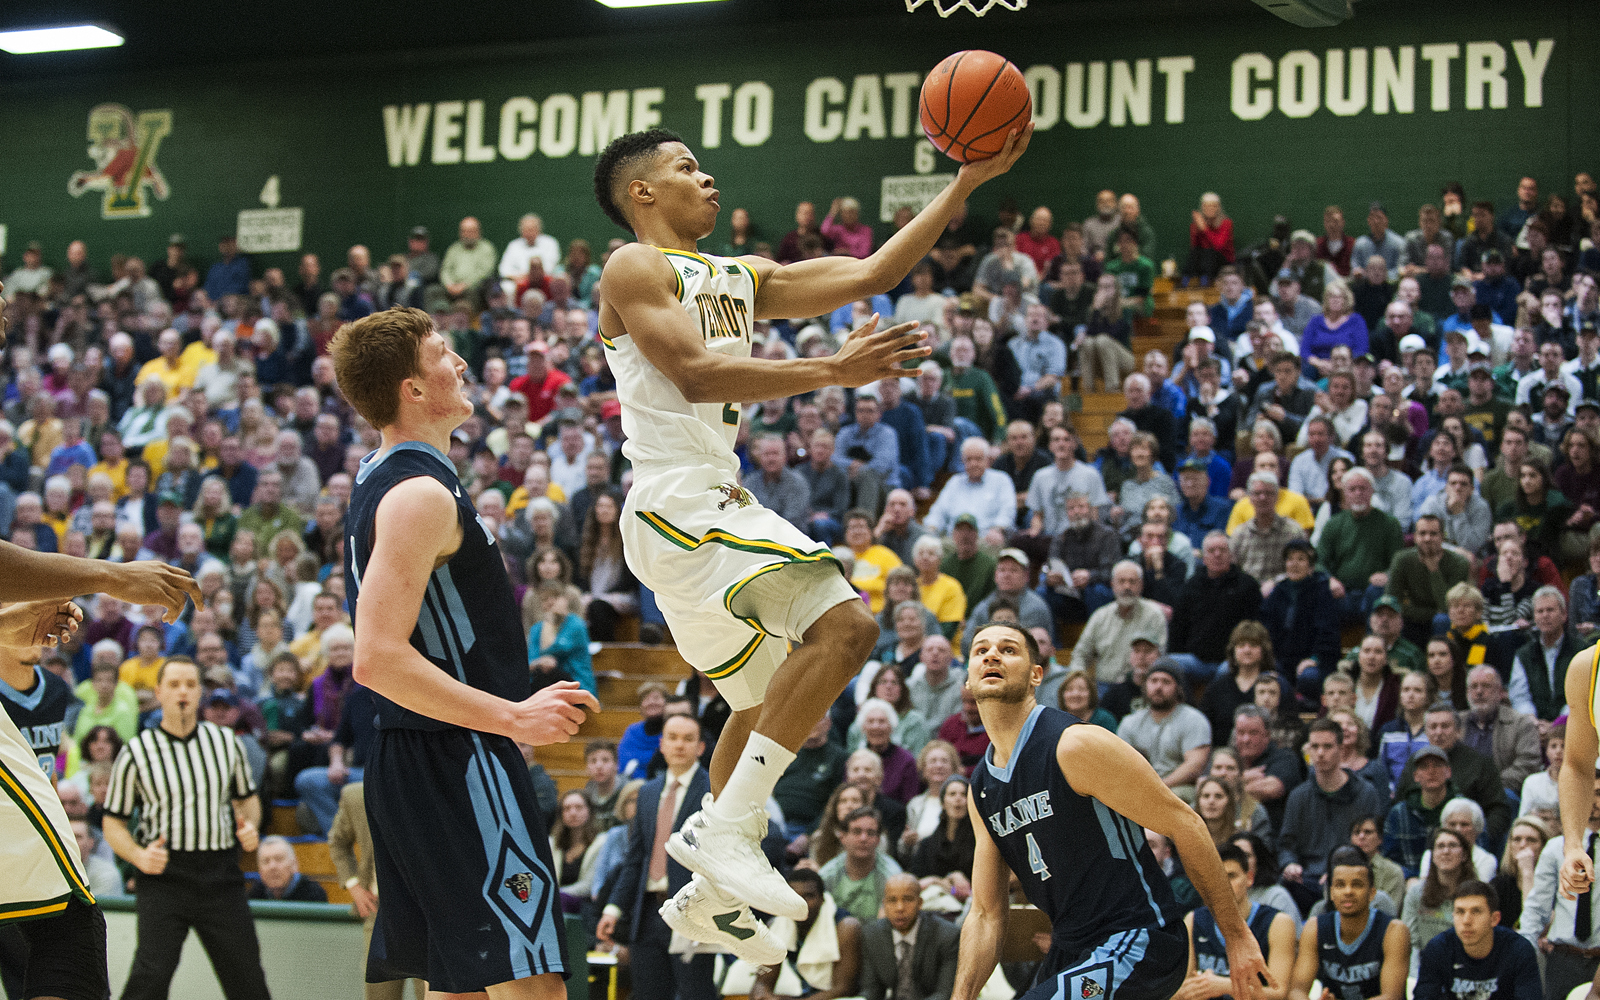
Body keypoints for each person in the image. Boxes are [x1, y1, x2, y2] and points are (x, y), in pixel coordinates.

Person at [590, 123, 1030, 940]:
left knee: (761, 703)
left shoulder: (742, 275)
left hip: (697, 505)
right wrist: (833, 369)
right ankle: (726, 834)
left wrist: (963, 185)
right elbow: (694, 374)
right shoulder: (634, 266)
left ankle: (709, 893)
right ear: (642, 192)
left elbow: (872, 272)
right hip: (678, 497)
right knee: (849, 627)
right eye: (688, 168)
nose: (709, 179)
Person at [329, 308, 600, 996]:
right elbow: (376, 657)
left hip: (417, 755)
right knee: (531, 985)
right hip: (457, 758)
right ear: (413, 389)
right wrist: (512, 717)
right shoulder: (419, 494)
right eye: (444, 353)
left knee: (460, 985)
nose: (462, 363)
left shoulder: (384, 476)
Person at [950, 621, 1274, 1000]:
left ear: (1037, 675)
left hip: (1138, 937)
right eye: (981, 650)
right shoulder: (981, 788)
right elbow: (986, 914)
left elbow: (1185, 823)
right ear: (969, 679)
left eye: (1008, 649)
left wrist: (1236, 936)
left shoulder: (1075, 745)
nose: (992, 655)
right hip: (1070, 948)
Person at [101, 658, 271, 1000]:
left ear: (200, 694)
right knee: (151, 976)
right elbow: (113, 821)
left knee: (247, 978)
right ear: (159, 692)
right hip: (165, 876)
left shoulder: (227, 743)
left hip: (221, 874)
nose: (183, 692)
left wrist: (250, 826)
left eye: (191, 685)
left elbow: (247, 800)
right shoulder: (136, 751)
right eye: (175, 684)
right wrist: (138, 856)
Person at [598, 712, 769, 987]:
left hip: (695, 910)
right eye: (673, 738)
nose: (679, 745)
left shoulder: (716, 790)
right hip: (647, 913)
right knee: (648, 994)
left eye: (688, 739)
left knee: (695, 992)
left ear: (700, 747)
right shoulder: (647, 792)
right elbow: (636, 859)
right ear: (662, 745)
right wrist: (614, 908)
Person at [1276, 718, 1387, 913]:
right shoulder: (1298, 796)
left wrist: (1342, 870)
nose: (1320, 753)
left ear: (1341, 749)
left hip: (1350, 877)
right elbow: (1286, 844)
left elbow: (1371, 844)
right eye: (1315, 746)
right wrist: (1290, 863)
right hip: (1307, 879)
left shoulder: (1365, 793)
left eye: (1327, 746)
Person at [1286, 845, 1409, 1000]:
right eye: (1340, 885)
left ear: (1372, 893)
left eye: (1357, 884)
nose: (1348, 891)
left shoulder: (1394, 931)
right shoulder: (1314, 928)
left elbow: (1391, 997)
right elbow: (1296, 991)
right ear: (1331, 892)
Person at [1176, 842, 1296, 1000]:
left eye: (1231, 876)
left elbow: (1279, 993)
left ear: (1249, 878)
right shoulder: (1193, 920)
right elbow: (1180, 988)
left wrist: (1224, 986)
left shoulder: (1278, 923)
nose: (1224, 884)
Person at [1530, 760, 1600, 1000]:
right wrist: (1525, 949)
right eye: (1586, 793)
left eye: (1598, 793)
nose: (1593, 801)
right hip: (1564, 958)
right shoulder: (1555, 848)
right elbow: (1537, 905)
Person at [745, 867, 863, 1000]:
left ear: (822, 899)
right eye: (794, 896)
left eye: (809, 896)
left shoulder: (846, 927)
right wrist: (762, 993)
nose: (800, 903)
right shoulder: (776, 925)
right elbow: (762, 982)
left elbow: (844, 989)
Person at [1413, 880, 1542, 1000]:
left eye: (1476, 912)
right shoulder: (1438, 949)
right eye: (1460, 912)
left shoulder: (1518, 949)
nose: (1466, 921)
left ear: (1494, 919)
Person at [858, 871, 961, 1000]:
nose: (899, 908)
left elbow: (945, 993)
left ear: (920, 903)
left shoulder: (947, 936)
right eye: (892, 900)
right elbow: (871, 990)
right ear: (884, 905)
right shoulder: (872, 935)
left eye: (907, 899)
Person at [247, 834, 330, 901]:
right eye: (266, 861)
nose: (272, 867)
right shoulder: (254, 895)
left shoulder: (314, 894)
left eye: (278, 859)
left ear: (294, 864)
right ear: (259, 870)